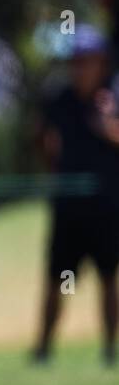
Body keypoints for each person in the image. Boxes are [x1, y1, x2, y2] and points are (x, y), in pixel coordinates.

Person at [34, 25, 119, 366]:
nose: (81, 68)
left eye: (89, 61)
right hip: (68, 208)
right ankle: (43, 350)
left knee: (108, 278)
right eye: (77, 61)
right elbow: (41, 139)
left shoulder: (114, 97)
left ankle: (110, 351)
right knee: (57, 279)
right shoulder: (58, 98)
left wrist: (107, 127)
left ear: (102, 63)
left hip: (108, 207)